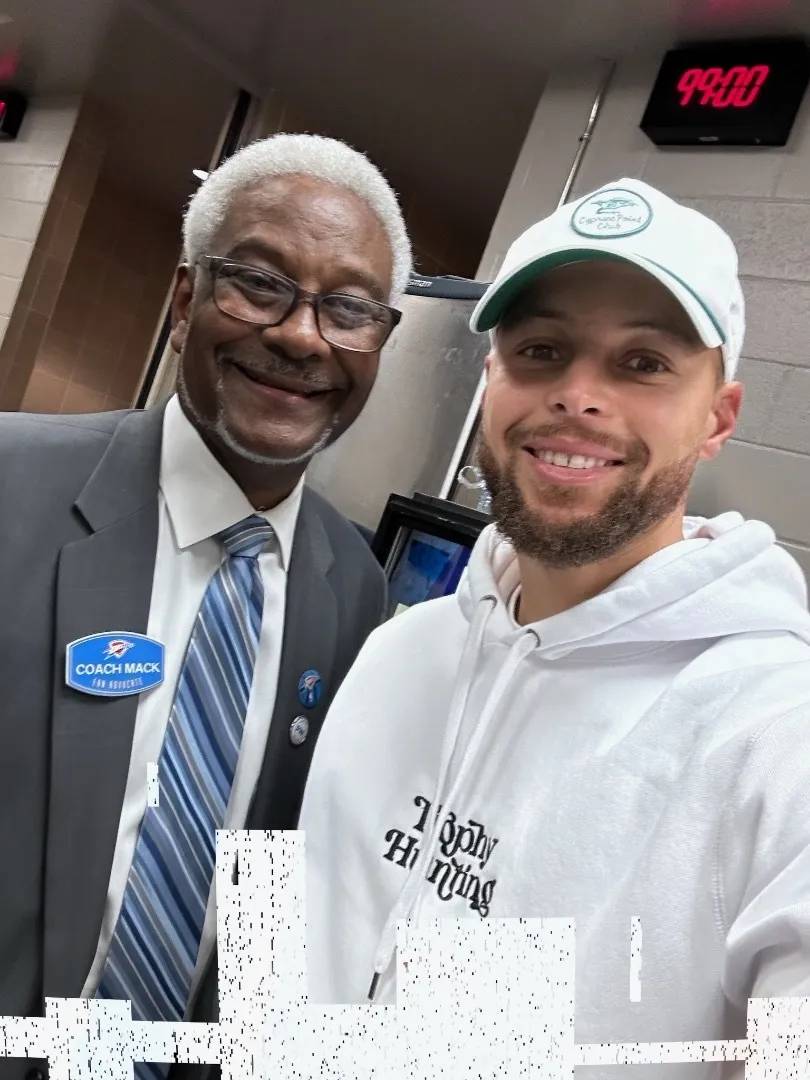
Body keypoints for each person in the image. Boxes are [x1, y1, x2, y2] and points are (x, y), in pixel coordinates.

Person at [301, 178, 810, 1074]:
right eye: (541, 350)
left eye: (643, 363)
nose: (578, 396)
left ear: (718, 419)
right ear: (491, 381)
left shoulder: (775, 733)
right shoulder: (398, 656)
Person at [0, 132, 412, 1080]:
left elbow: (270, 884)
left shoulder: (354, 592)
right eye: (259, 283)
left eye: (348, 308)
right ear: (185, 299)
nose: (303, 335)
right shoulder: (15, 488)